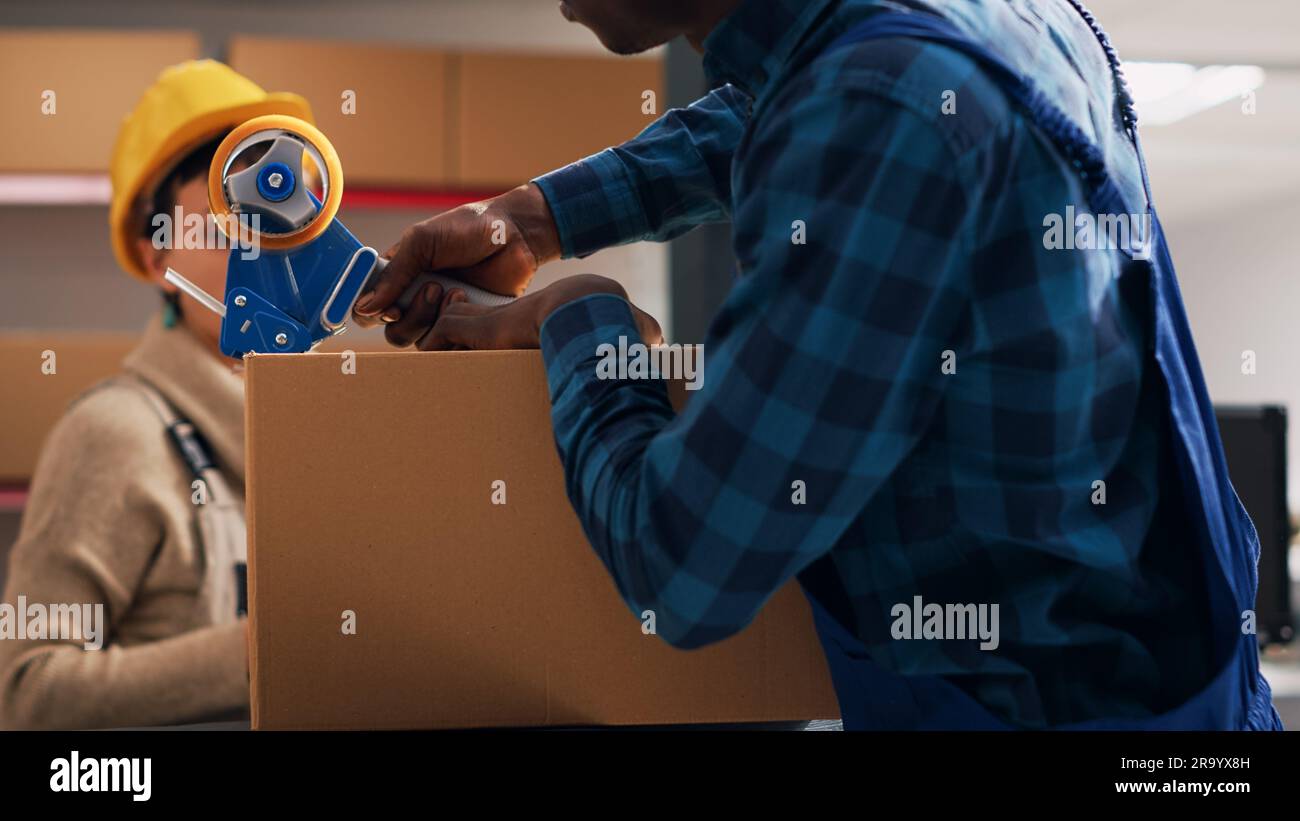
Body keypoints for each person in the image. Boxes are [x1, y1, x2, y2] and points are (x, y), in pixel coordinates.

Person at [356, 0, 1281, 730]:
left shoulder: (884, 109)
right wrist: (530, 218)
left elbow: (685, 564)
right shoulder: (964, 28)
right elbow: (781, 103)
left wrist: (577, 317)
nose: (555, 5)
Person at [0, 60, 312, 729]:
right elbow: (25, 691)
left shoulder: (318, 426)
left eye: (272, 211)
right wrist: (259, 653)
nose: (257, 246)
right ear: (156, 257)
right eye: (220, 222)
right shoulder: (114, 433)